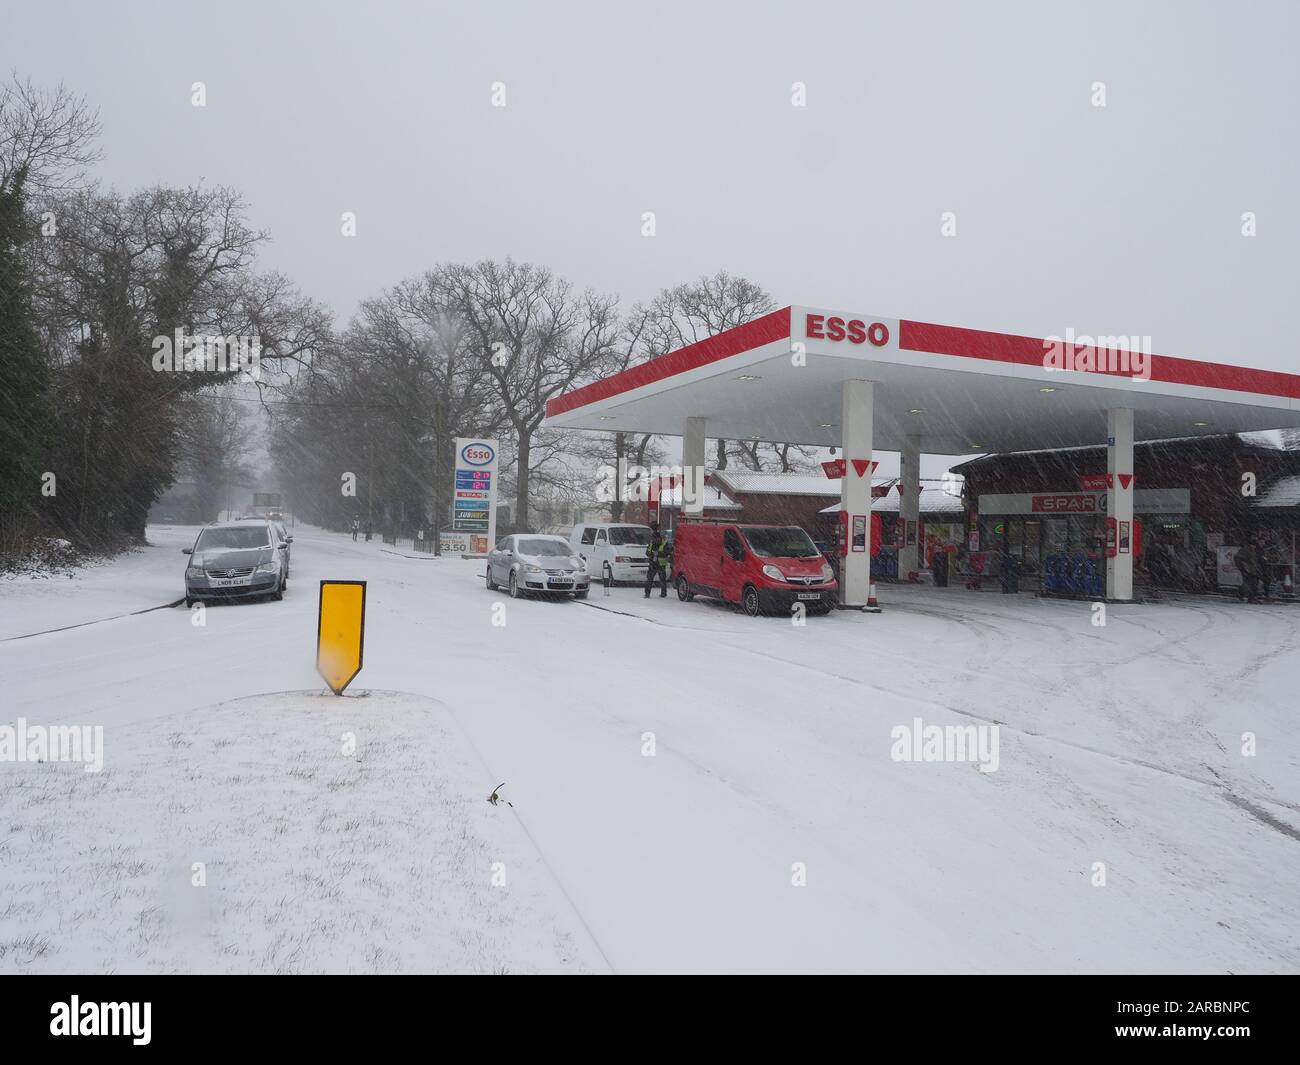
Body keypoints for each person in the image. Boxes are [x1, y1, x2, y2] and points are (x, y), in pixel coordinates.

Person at [644, 524, 669, 598]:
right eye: (654, 538)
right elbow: (647, 552)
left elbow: (667, 552)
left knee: (659, 579)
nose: (655, 540)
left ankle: (662, 593)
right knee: (651, 579)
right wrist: (652, 554)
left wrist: (658, 554)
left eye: (656, 538)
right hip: (654, 563)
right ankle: (648, 593)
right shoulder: (652, 543)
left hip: (659, 563)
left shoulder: (664, 543)